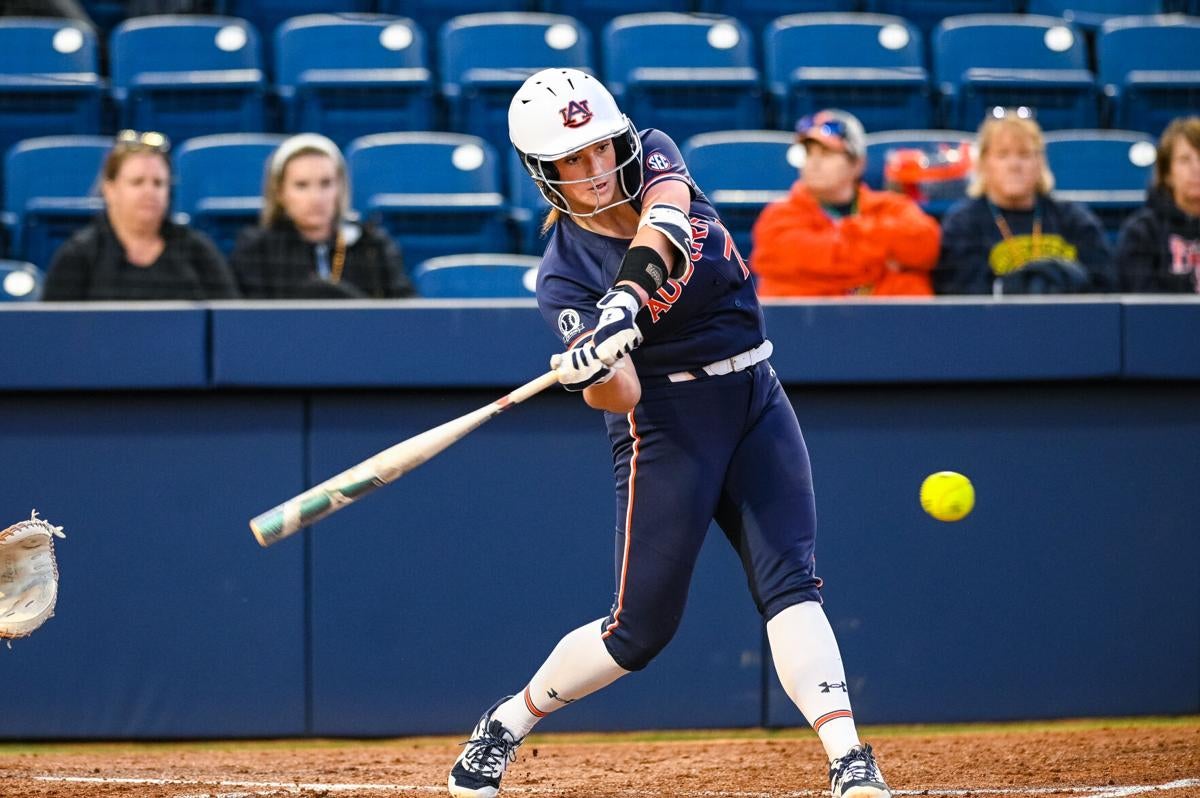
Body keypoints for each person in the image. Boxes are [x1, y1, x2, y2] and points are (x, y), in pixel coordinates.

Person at [446, 68, 892, 798]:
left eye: (601, 147)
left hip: (755, 393)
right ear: (544, 173)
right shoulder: (562, 280)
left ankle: (849, 758)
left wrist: (625, 303)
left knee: (792, 582)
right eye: (574, 159)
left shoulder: (656, 152)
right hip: (665, 426)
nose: (595, 168)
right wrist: (594, 363)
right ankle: (506, 723)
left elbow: (669, 225)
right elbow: (616, 397)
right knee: (636, 634)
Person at [750, 109, 941, 297]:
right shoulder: (776, 216)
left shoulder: (892, 206)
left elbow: (927, 246)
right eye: (808, 153)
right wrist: (881, 267)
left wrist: (828, 276)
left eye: (826, 153)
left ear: (857, 164)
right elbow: (788, 291)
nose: (814, 163)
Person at [935, 108, 1115, 295]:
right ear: (984, 163)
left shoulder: (1074, 220)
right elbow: (959, 297)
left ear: (1040, 162)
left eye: (1024, 154)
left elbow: (1104, 286)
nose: (1014, 165)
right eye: (1003, 155)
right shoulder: (963, 224)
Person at [43, 130, 237, 301]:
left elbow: (229, 323)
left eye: (158, 183)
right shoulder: (78, 256)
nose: (149, 192)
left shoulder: (197, 251)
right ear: (109, 189)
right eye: (137, 182)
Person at [230, 133, 414, 299]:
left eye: (326, 184)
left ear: (340, 188)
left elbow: (406, 315)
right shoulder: (256, 249)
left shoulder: (373, 246)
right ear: (279, 192)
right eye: (301, 185)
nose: (316, 198)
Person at [1115, 116, 1200, 293]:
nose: (1196, 169)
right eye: (1185, 160)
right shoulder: (1141, 233)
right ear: (1167, 173)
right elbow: (1144, 308)